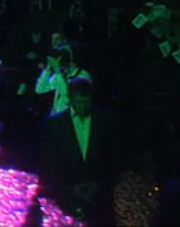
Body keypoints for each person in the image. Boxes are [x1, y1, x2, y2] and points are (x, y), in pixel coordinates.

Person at [40, 78, 119, 224]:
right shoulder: (56, 124)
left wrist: (99, 184)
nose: (83, 106)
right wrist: (69, 189)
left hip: (100, 196)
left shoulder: (105, 120)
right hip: (68, 197)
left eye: (86, 101)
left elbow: (113, 157)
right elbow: (51, 161)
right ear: (70, 100)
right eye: (79, 102)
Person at [35, 33, 92, 115]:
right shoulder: (61, 74)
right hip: (56, 116)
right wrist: (47, 69)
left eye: (64, 53)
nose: (61, 57)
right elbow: (40, 89)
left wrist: (57, 71)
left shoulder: (82, 75)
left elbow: (67, 96)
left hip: (70, 118)